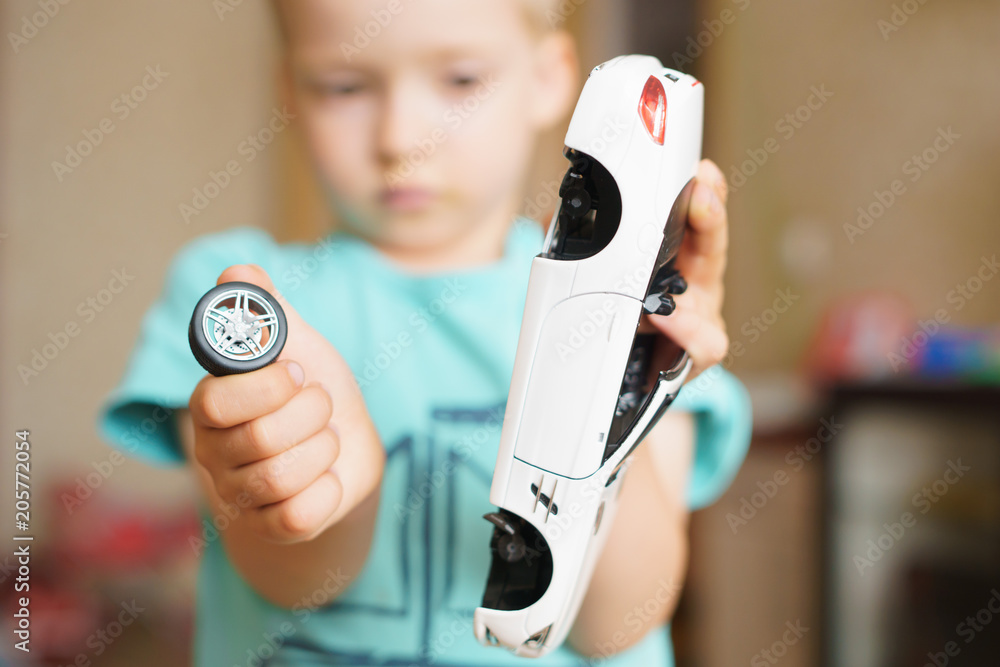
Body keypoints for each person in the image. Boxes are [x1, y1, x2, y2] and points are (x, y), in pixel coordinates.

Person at [98, 1, 751, 665]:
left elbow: (618, 623)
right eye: (344, 86)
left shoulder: (654, 324)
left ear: (551, 79)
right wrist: (334, 494)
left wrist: (622, 374)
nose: (400, 138)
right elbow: (287, 579)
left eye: (461, 80)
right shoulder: (245, 301)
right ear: (288, 89)